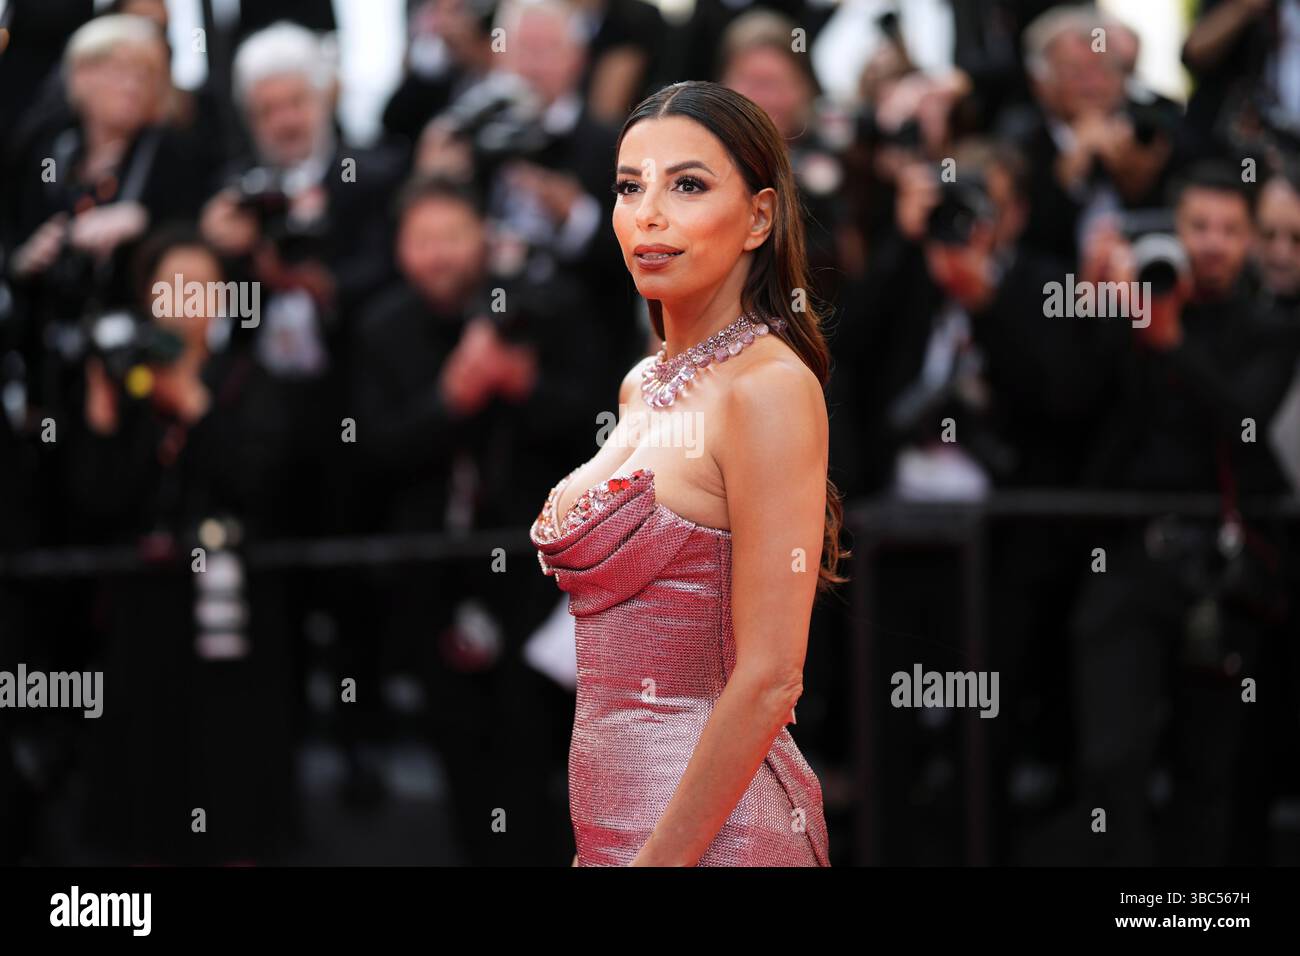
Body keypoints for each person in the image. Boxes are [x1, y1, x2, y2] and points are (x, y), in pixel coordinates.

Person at [529, 80, 844, 866]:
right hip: (612, 826)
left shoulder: (769, 389)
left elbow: (772, 678)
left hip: (717, 837)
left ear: (760, 217)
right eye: (630, 187)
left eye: (689, 185)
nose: (649, 214)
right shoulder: (642, 384)